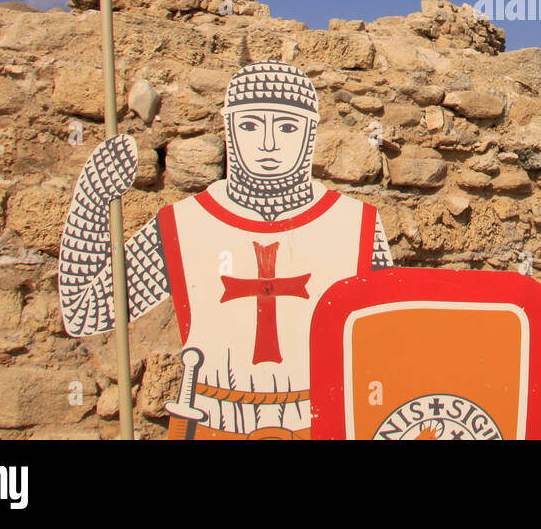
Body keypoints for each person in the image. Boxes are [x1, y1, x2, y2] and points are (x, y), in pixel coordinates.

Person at [59, 60, 392, 439]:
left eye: (286, 127)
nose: (268, 144)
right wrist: (92, 200)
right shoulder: (184, 224)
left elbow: (385, 345)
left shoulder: (356, 225)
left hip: (324, 426)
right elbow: (87, 311)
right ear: (229, 128)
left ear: (309, 133)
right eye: (251, 125)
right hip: (213, 426)